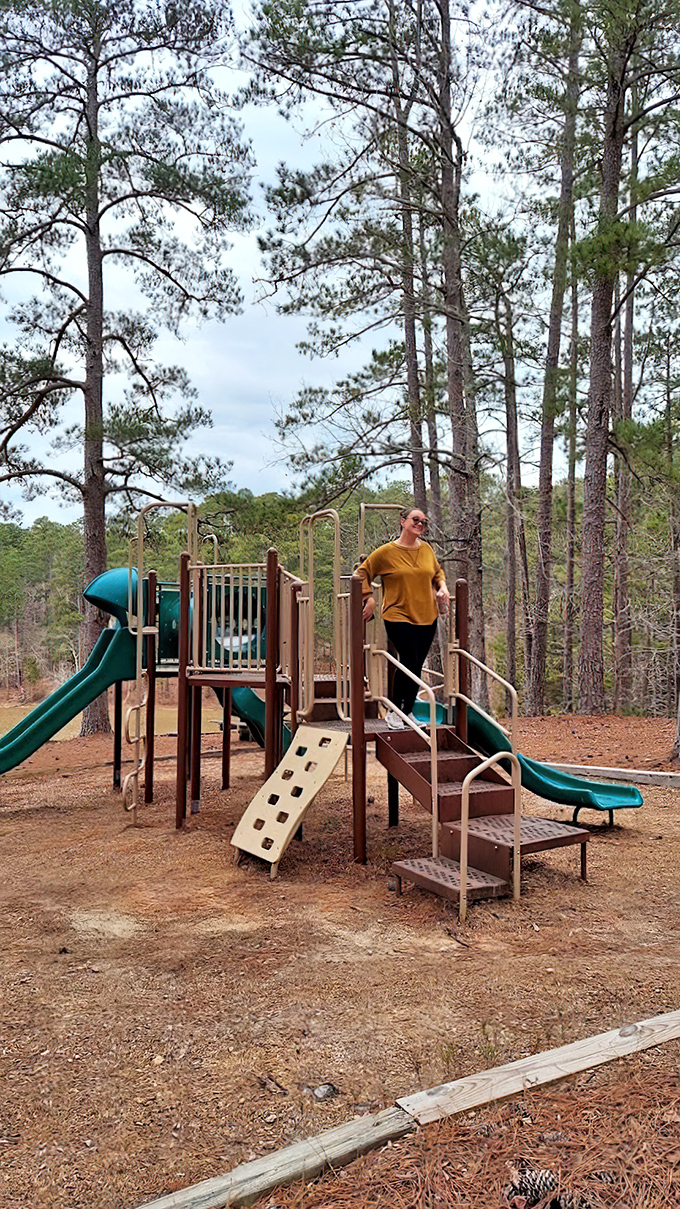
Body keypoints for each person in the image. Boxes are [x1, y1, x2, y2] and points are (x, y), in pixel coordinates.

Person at [356, 505, 450, 729]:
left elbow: (437, 573)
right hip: (397, 614)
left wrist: (443, 587)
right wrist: (369, 598)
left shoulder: (426, 550)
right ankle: (394, 712)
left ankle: (408, 711)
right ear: (403, 521)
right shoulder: (386, 552)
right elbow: (362, 573)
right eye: (415, 520)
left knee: (416, 664)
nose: (420, 524)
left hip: (427, 615)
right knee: (407, 661)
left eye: (424, 522)